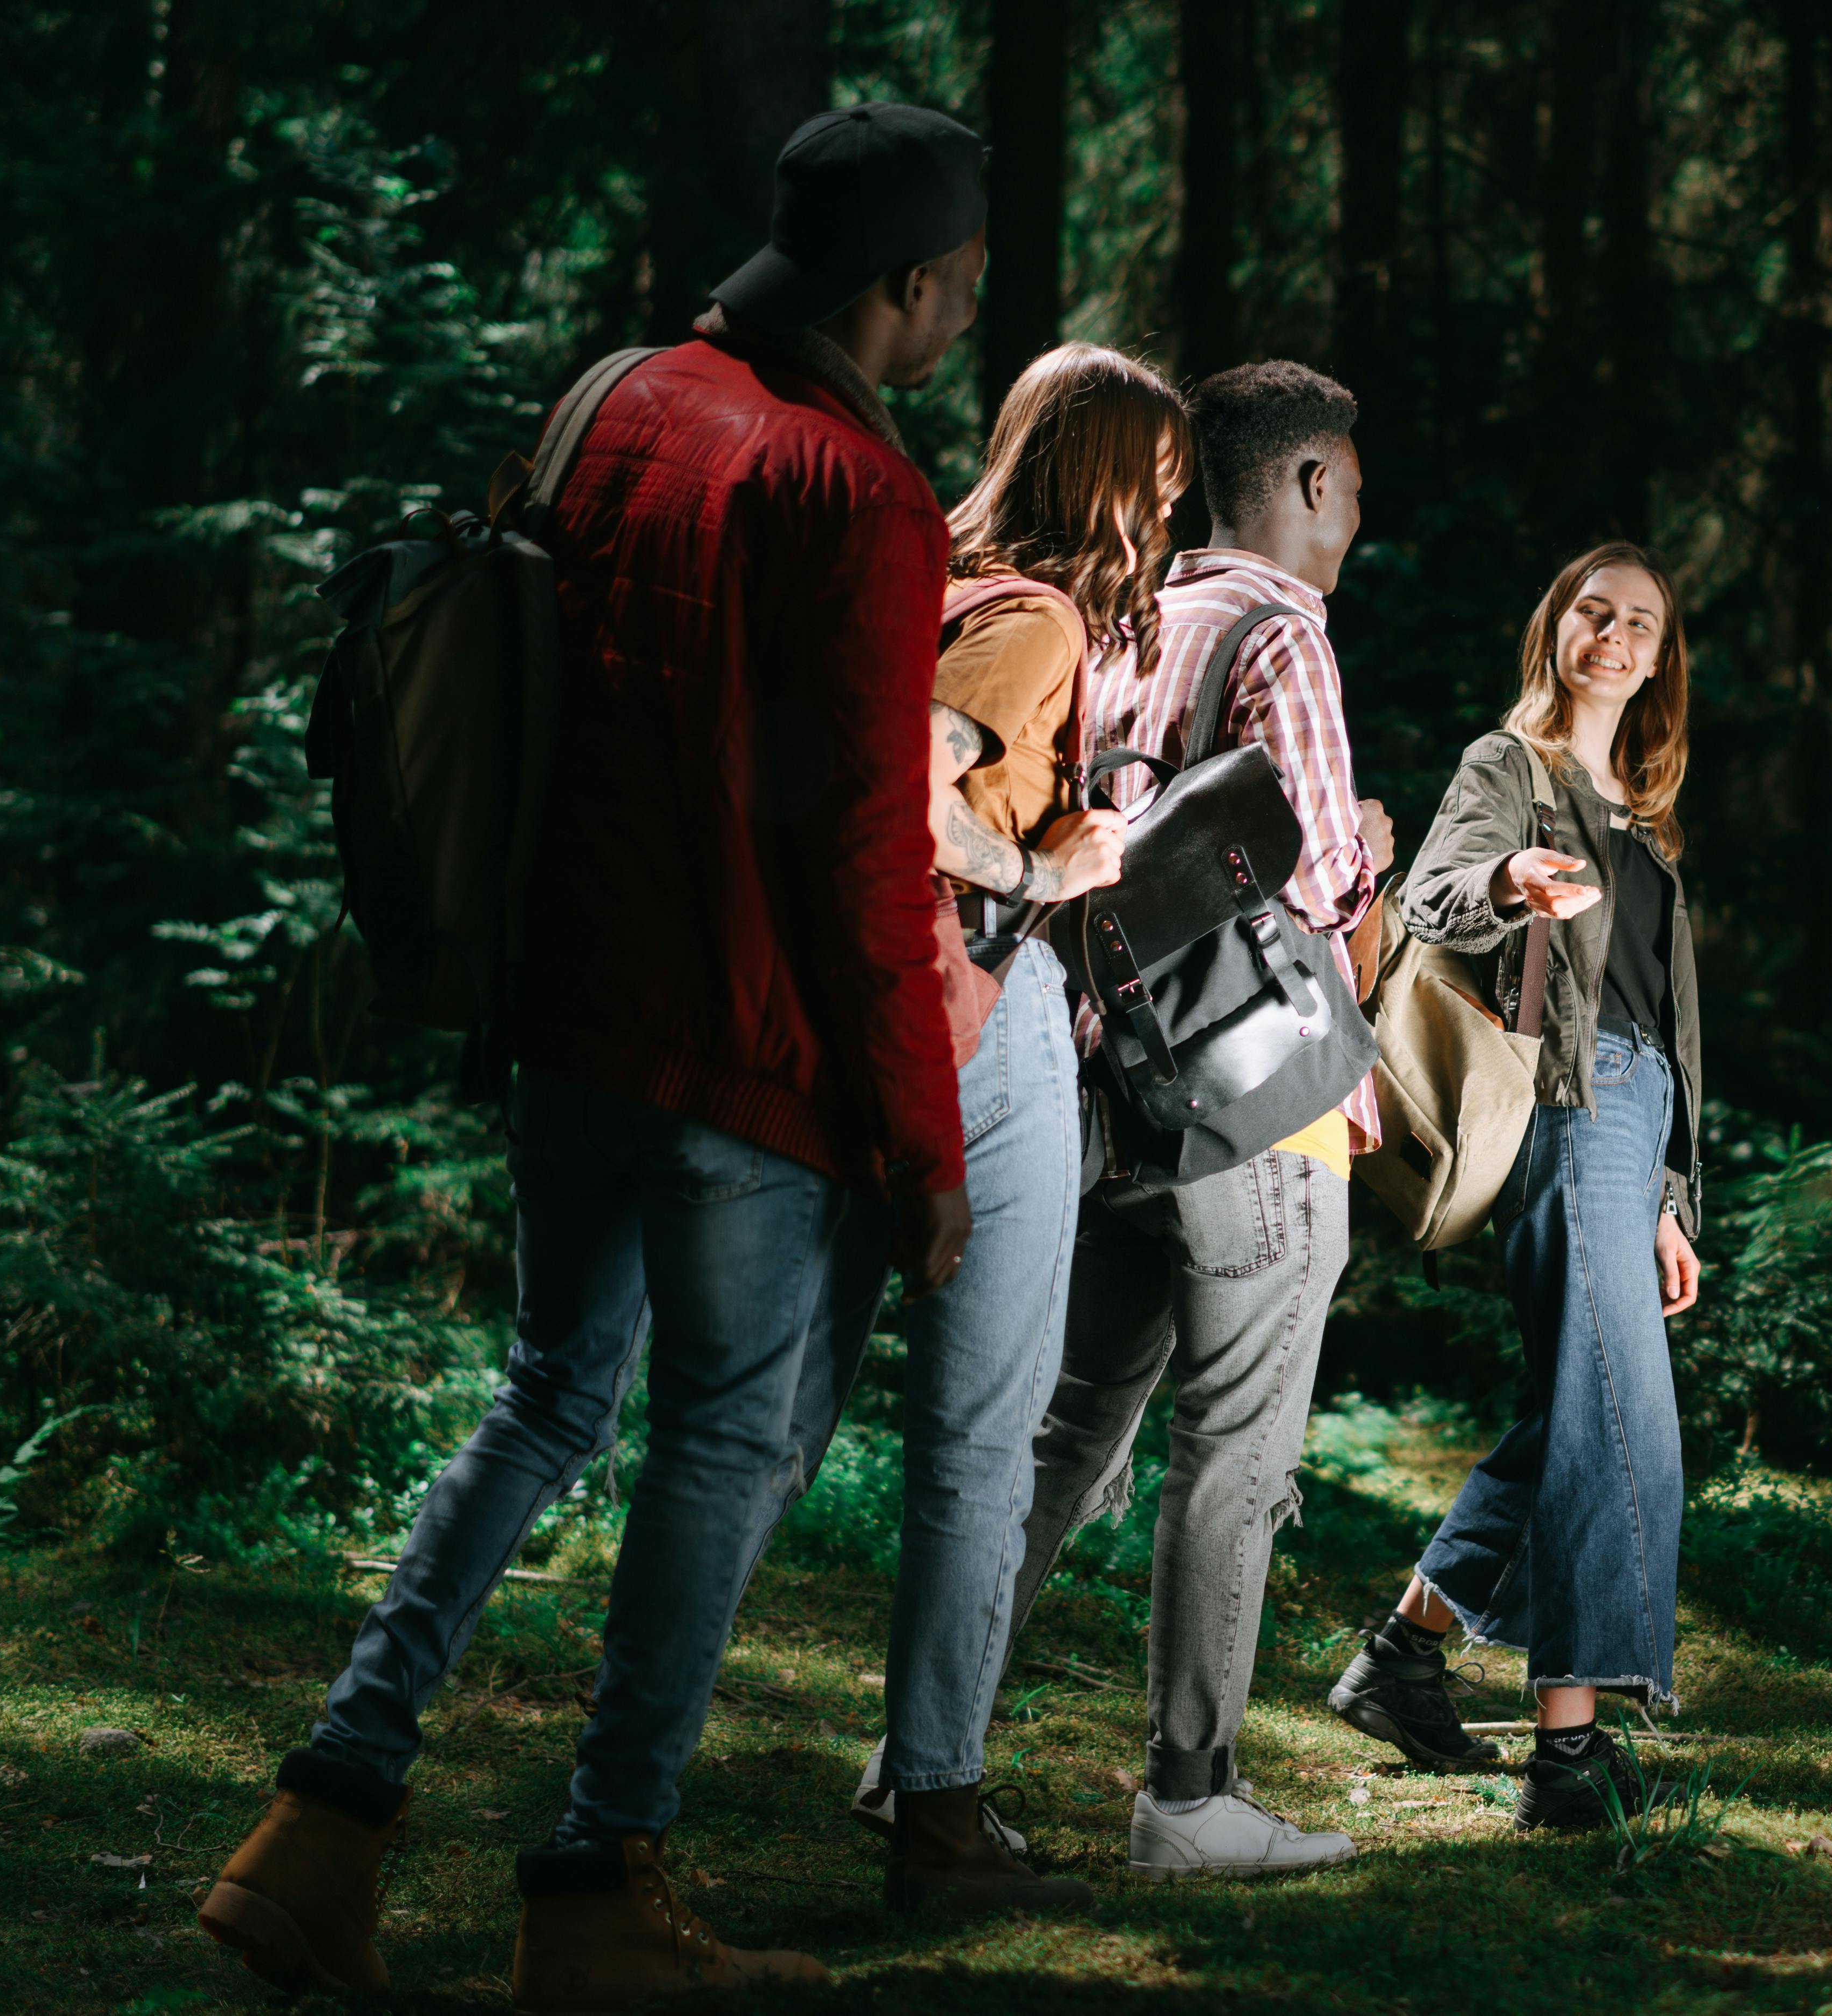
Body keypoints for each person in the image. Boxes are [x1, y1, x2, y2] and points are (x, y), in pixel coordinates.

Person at [199, 104, 989, 2007]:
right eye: (963, 281)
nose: (968, 308)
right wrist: (927, 1143)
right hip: (739, 1057)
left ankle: (320, 1818)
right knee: (716, 1439)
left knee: (548, 1393)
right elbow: (873, 859)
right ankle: (599, 1878)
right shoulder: (859, 496)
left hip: (564, 1014)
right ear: (907, 287)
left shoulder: (617, 397)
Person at [999, 359, 1393, 1880]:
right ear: (1303, 482)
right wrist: (1359, 845)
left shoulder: (1130, 616)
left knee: (1064, 1437)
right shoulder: (1284, 631)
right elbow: (1309, 888)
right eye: (1349, 484)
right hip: (1261, 1083)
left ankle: (927, 1763)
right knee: (1239, 1447)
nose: (1356, 514)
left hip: (1111, 1084)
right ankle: (1189, 1793)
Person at [839, 345, 1186, 1920]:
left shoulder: (939, 573)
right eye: (1162, 480)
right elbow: (912, 788)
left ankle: (631, 1802)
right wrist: (1048, 872)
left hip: (855, 1023)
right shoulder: (1038, 618)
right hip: (980, 1008)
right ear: (1114, 481)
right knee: (985, 1429)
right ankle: (939, 1804)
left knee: (771, 1425)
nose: (1171, 510)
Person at [1324, 540, 1705, 1830]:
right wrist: (1505, 879)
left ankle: (1404, 1654)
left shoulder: (1649, 816)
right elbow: (1428, 891)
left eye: (1639, 622)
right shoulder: (1512, 768)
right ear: (1556, 629)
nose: (1614, 634)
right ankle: (1568, 1751)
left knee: (1572, 1408)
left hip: (1636, 1114)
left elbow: (1665, 1018)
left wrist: (1670, 1195)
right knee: (1617, 1416)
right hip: (1563, 1095)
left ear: (1660, 656)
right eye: (1593, 611)